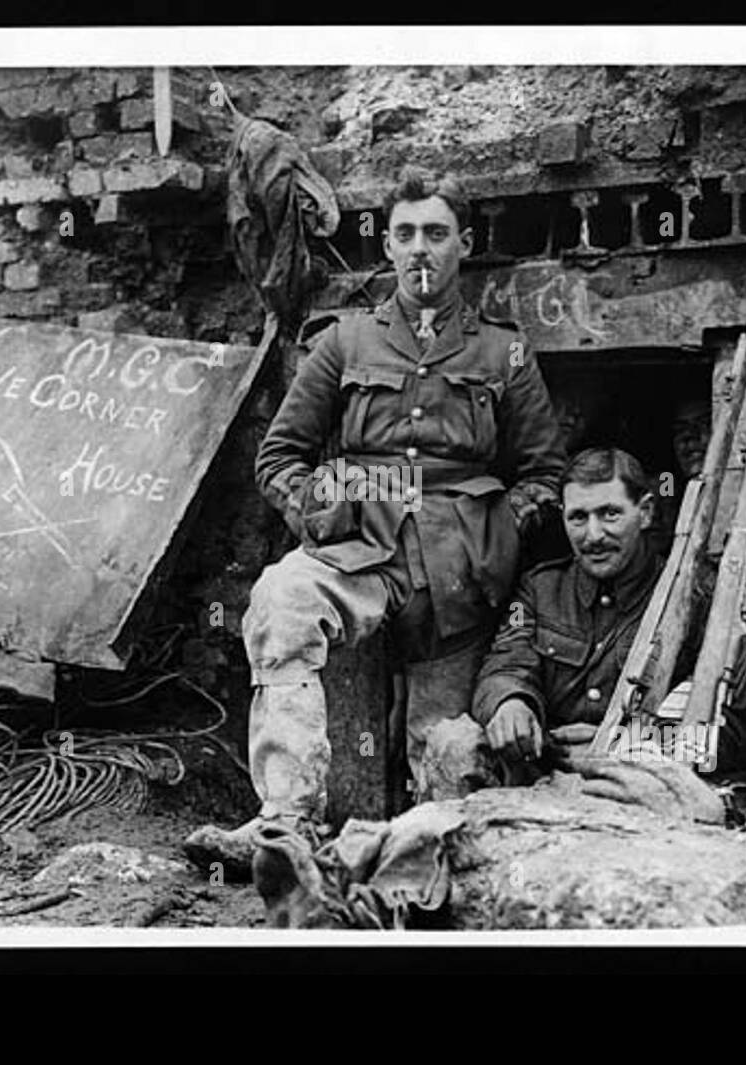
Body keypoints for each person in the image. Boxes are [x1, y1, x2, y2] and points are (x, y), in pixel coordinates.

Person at [185, 166, 566, 877]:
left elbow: (545, 469)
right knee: (281, 601)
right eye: (405, 234)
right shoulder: (344, 343)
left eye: (436, 234)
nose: (420, 249)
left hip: (460, 570)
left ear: (465, 245)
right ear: (386, 247)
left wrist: (502, 527)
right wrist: (312, 511)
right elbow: (281, 454)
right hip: (356, 543)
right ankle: (286, 821)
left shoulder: (502, 352)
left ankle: (401, 859)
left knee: (447, 761)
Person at [463, 446, 743, 780]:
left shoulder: (695, 599)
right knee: (455, 743)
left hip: (641, 784)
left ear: (646, 513)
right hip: (546, 772)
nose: (593, 536)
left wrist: (623, 743)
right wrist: (509, 703)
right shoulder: (539, 590)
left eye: (610, 514)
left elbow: (723, 734)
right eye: (578, 518)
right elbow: (504, 664)